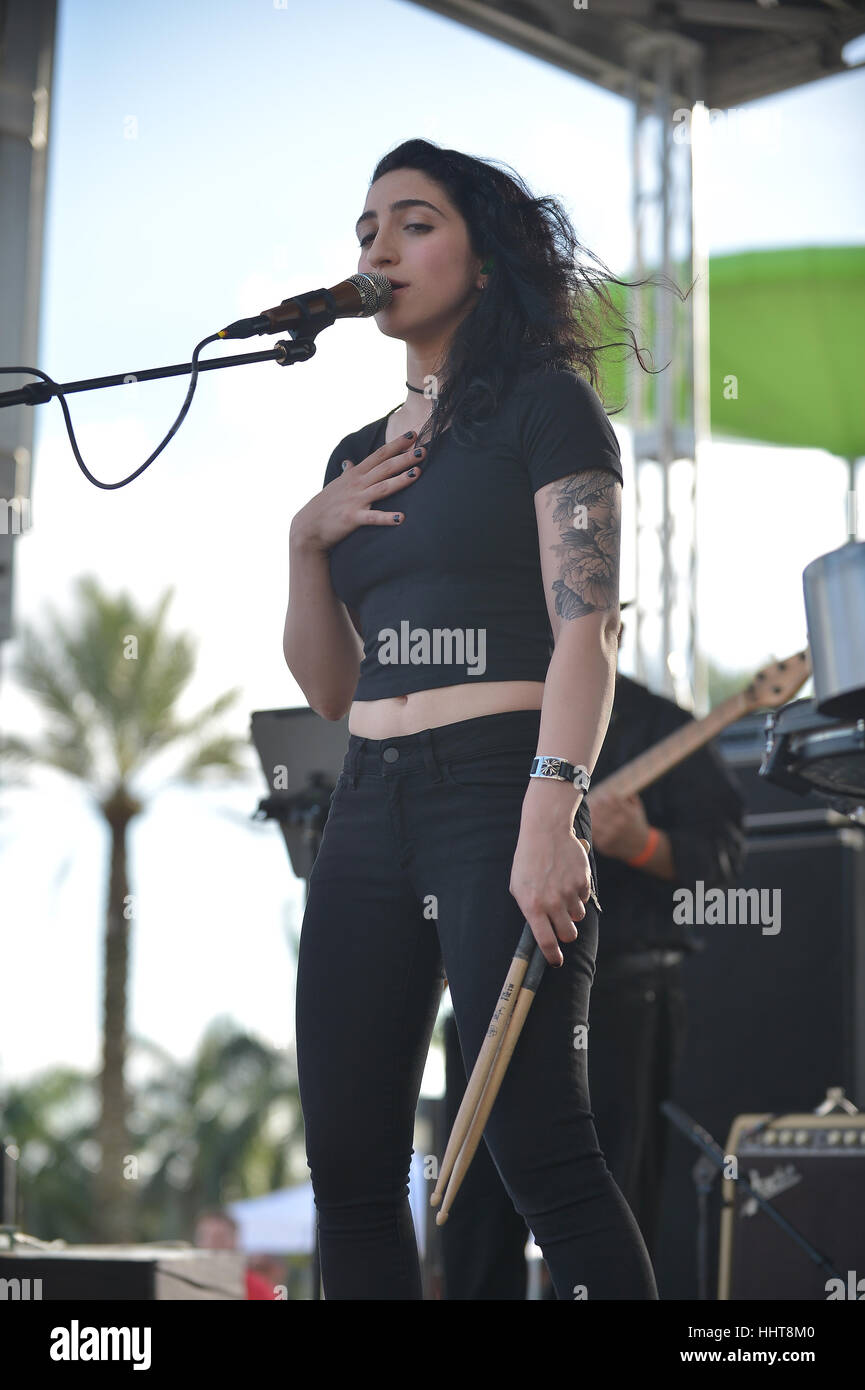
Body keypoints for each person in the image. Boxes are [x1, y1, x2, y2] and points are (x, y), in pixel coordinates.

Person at [284, 138, 685, 1301]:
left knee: (542, 1156)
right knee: (350, 1174)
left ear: (485, 251)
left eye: (411, 222)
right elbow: (330, 691)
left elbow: (587, 625)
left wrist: (549, 807)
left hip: (499, 788)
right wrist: (304, 542)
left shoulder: (545, 410)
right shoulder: (356, 456)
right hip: (366, 809)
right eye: (365, 230)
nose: (378, 249)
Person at [439, 610, 746, 1297]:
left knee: (602, 1201)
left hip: (621, 996)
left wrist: (640, 843)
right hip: (494, 987)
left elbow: (721, 859)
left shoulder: (664, 727)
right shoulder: (493, 719)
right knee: (472, 1213)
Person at [193, 1208, 275, 1300]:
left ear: (235, 1240)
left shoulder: (256, 1287)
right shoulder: (185, 1280)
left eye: (220, 1238)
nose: (211, 1245)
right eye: (205, 1237)